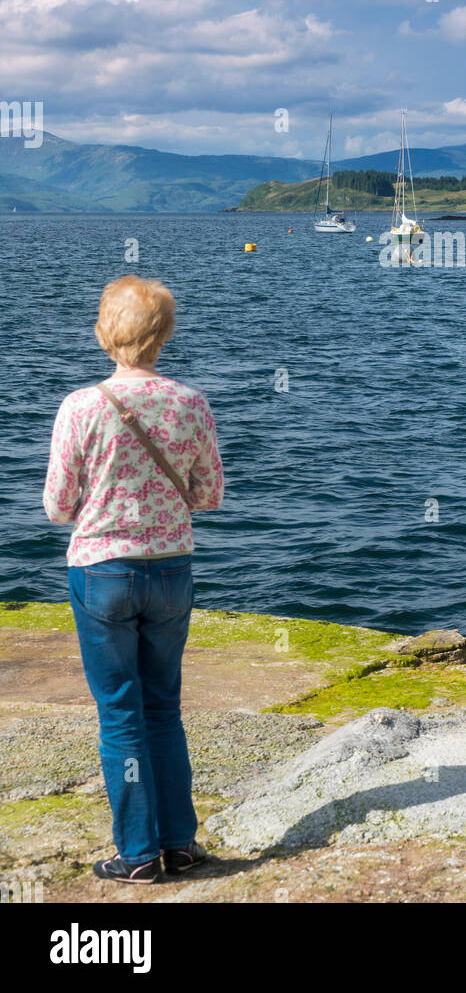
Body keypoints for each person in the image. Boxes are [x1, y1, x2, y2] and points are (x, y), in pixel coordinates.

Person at [43, 275, 224, 884]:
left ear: (104, 332)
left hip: (102, 573)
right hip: (171, 568)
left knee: (120, 713)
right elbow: (209, 494)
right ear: (164, 335)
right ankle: (179, 843)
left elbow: (58, 507)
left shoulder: (82, 405)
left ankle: (138, 854)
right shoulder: (191, 402)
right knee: (163, 709)